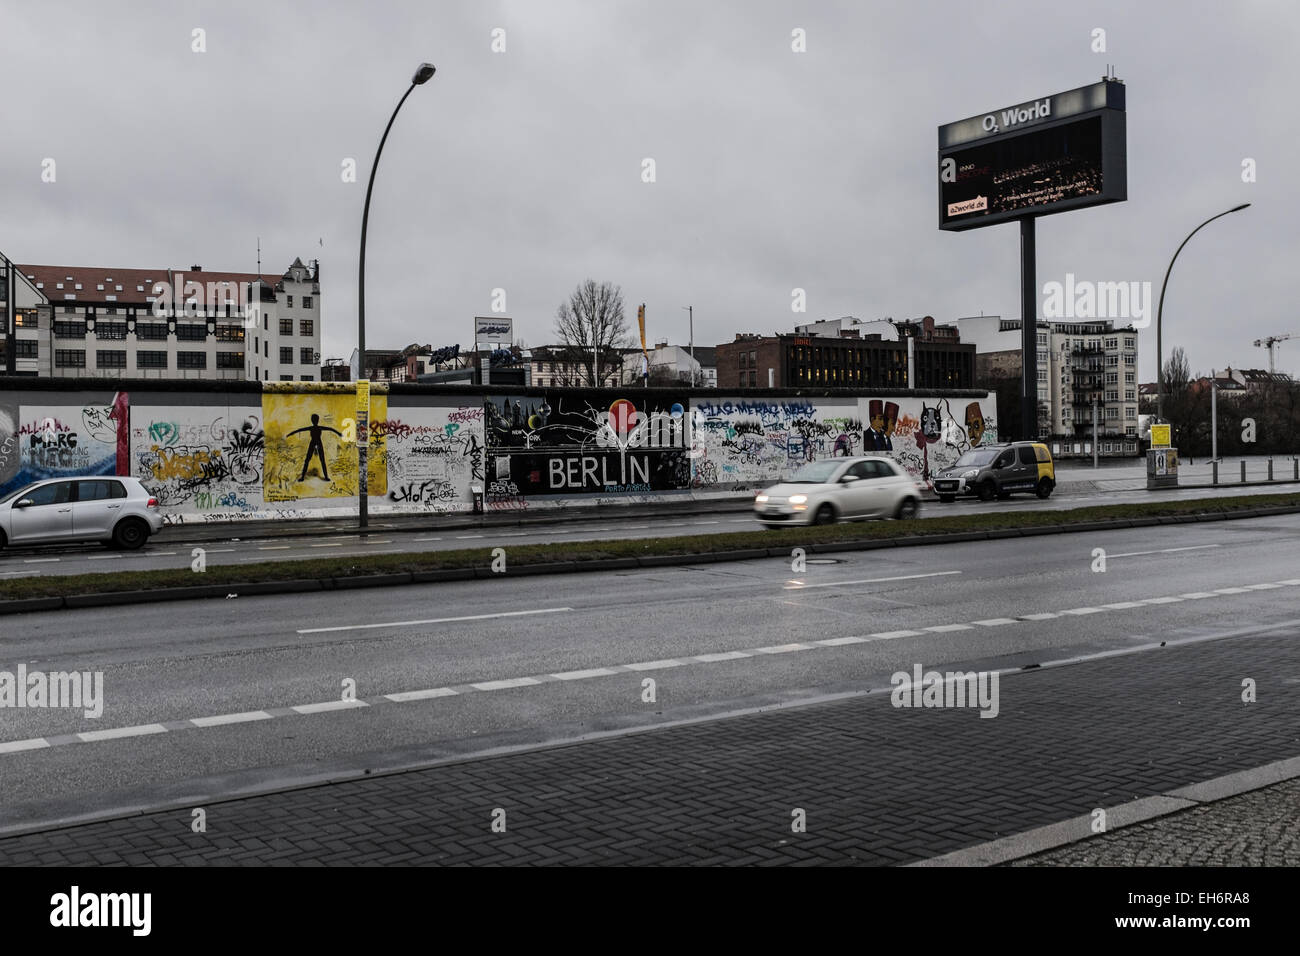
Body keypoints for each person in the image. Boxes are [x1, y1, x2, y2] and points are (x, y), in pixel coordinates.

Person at [287, 413, 342, 481]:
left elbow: (300, 430)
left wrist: (290, 434)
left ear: (312, 420)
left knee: (311, 461)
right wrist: (338, 433)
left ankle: (304, 477)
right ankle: (324, 477)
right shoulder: (318, 428)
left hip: (315, 443)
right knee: (318, 461)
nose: (314, 421)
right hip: (316, 443)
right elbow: (330, 429)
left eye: (313, 419)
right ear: (317, 420)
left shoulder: (313, 428)